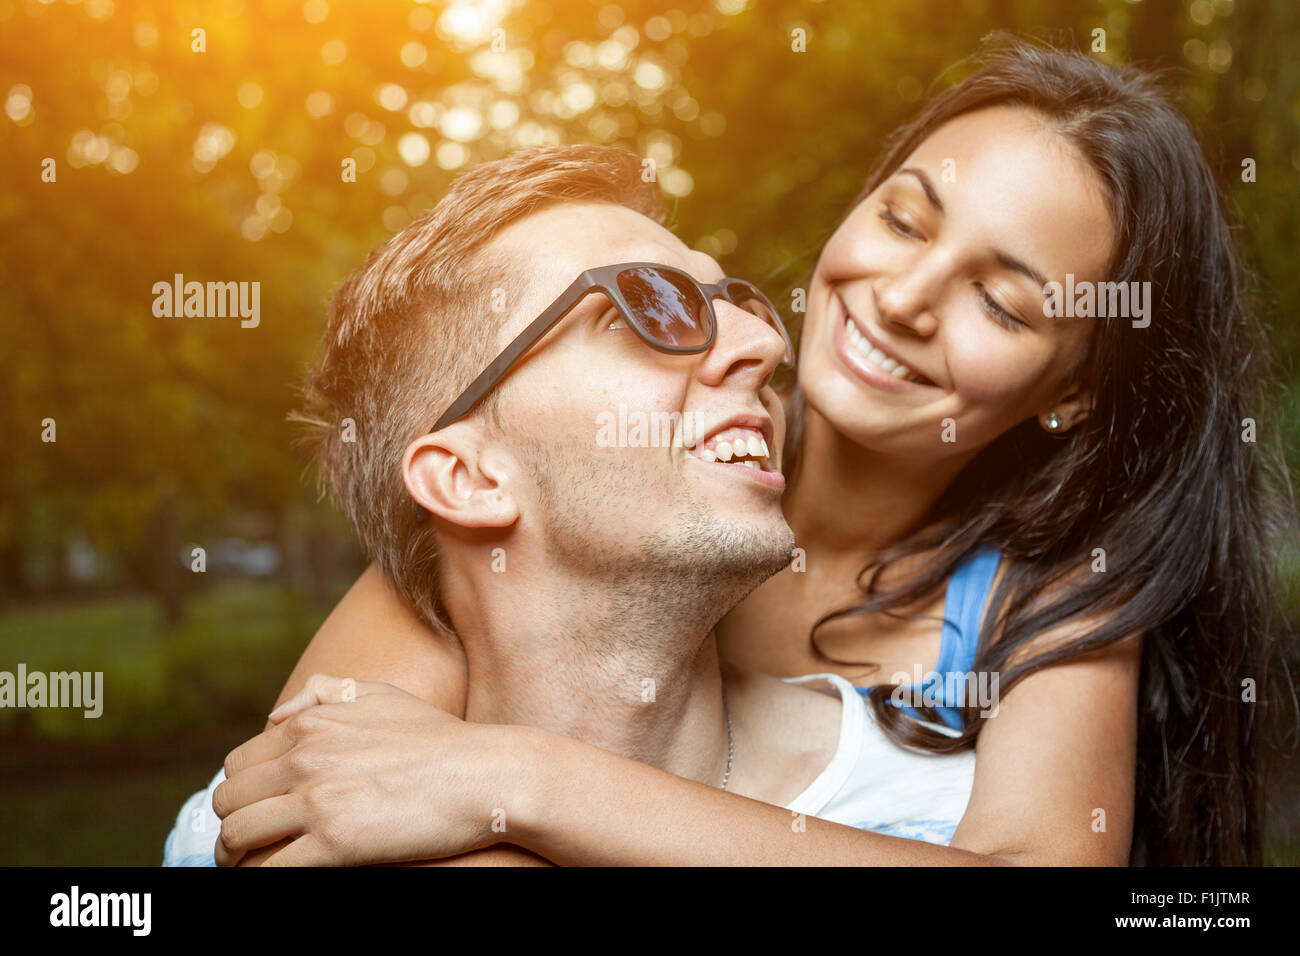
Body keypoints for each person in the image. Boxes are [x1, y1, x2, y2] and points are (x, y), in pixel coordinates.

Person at [189, 37, 1290, 866]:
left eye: (1000, 302)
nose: (902, 298)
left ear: (1073, 392)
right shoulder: (609, 471)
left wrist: (517, 775)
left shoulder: (1047, 590)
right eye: (903, 221)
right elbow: (326, 779)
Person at [165, 143, 987, 868]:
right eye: (650, 305)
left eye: (742, 306)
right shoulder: (258, 820)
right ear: (470, 479)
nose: (768, 347)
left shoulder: (952, 817)